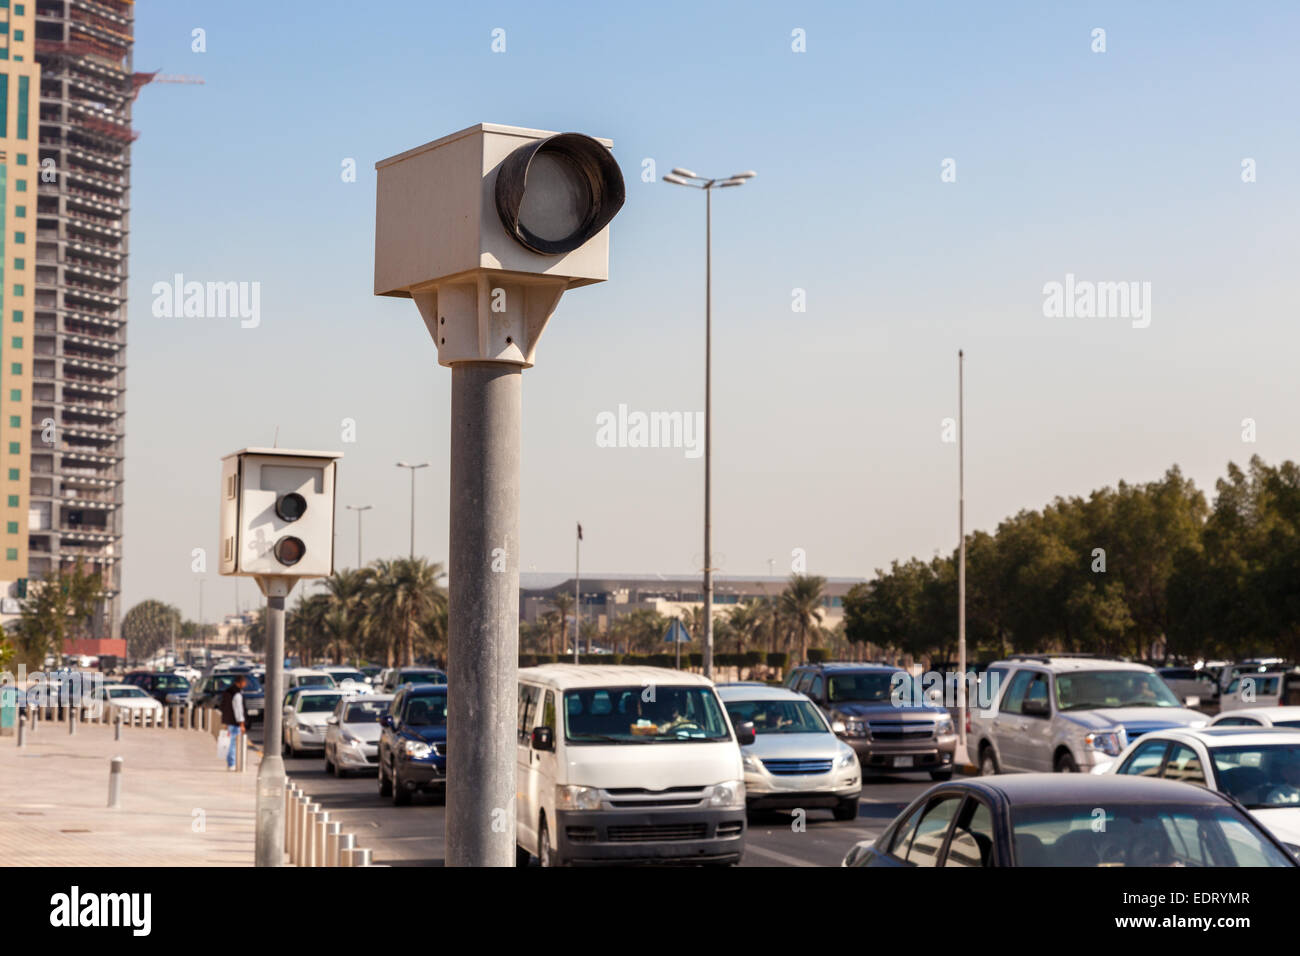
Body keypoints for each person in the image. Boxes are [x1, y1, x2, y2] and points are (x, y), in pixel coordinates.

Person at [218, 675, 247, 771]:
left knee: (228, 742)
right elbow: (238, 710)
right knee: (232, 744)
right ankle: (232, 764)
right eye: (244, 682)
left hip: (227, 721)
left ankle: (230, 763)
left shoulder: (227, 691)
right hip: (234, 722)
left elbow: (222, 706)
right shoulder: (237, 694)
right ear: (240, 682)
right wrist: (242, 724)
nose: (245, 684)